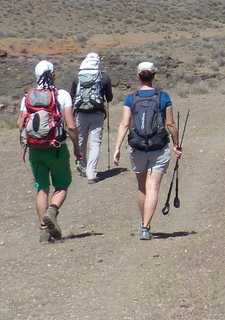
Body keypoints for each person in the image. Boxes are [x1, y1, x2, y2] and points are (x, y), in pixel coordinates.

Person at [110, 61, 181, 240]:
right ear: (154, 75)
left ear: (138, 76)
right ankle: (145, 226)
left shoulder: (130, 98)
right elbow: (170, 123)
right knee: (153, 187)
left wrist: (117, 147)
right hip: (158, 146)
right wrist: (176, 144)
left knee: (142, 187)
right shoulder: (163, 97)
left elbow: (125, 123)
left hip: (137, 147)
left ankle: (144, 224)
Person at [18, 60, 80, 243]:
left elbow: (20, 123)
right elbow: (71, 125)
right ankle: (52, 211)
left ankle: (43, 232)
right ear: (53, 75)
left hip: (35, 149)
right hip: (56, 148)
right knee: (61, 185)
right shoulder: (62, 95)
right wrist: (77, 148)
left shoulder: (27, 97)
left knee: (41, 188)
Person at [71, 52, 113, 183]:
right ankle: (91, 173)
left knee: (81, 140)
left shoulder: (77, 77)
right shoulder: (104, 77)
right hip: (97, 114)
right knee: (95, 144)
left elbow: (72, 95)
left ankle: (82, 166)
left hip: (81, 113)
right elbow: (110, 98)